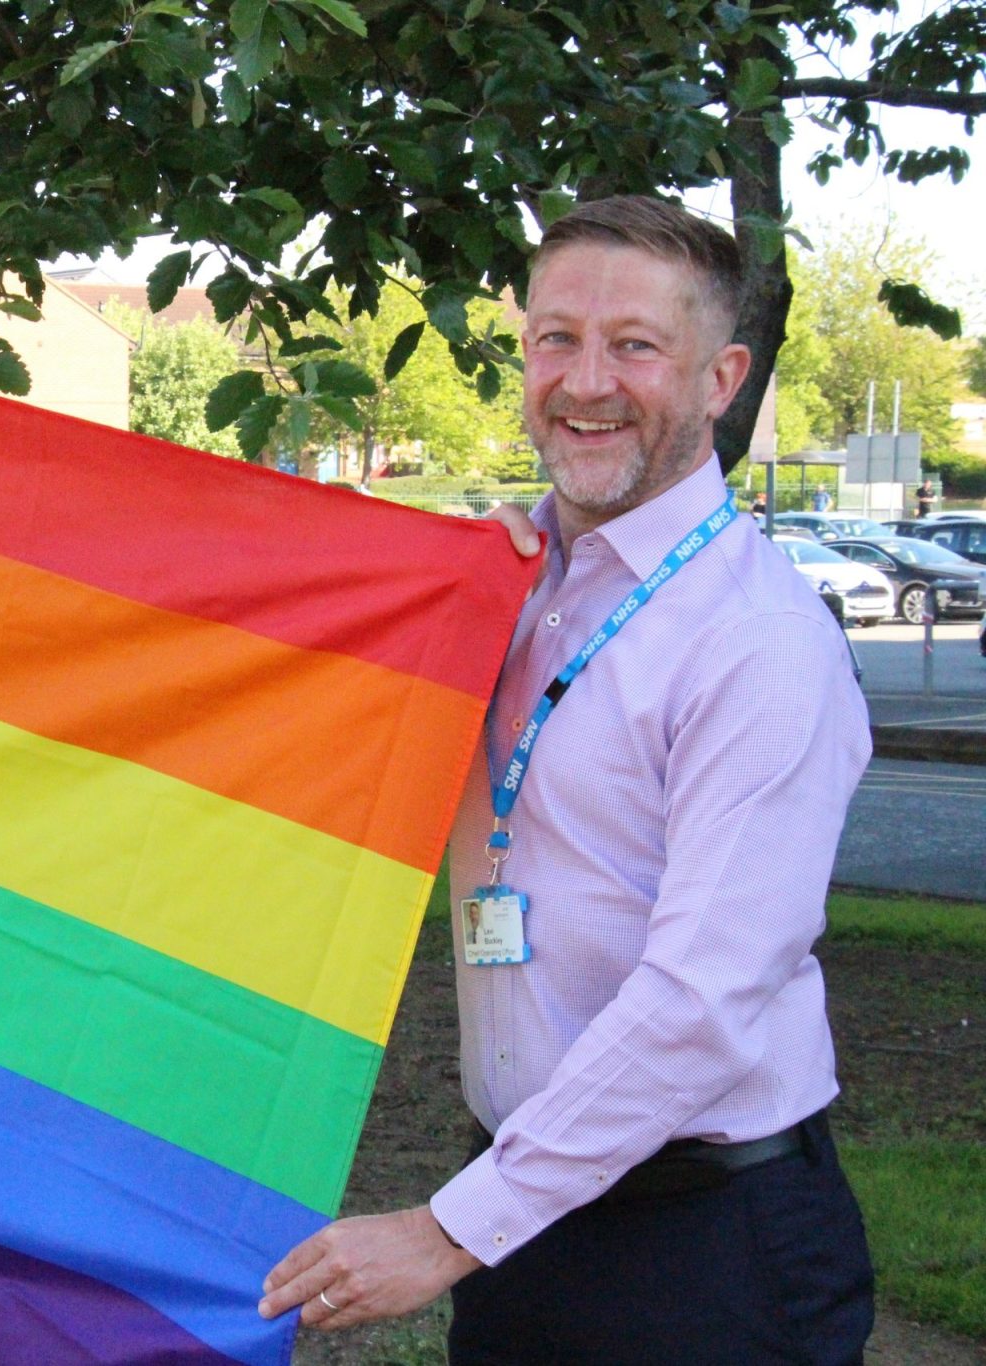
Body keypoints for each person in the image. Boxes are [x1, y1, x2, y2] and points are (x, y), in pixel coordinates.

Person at [258, 196, 874, 1363]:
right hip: (528, 1216)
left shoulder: (758, 643)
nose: (584, 382)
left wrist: (445, 1231)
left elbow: (699, 1003)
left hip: (704, 1249)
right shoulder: (507, 584)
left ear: (719, 378)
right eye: (555, 339)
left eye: (634, 346)